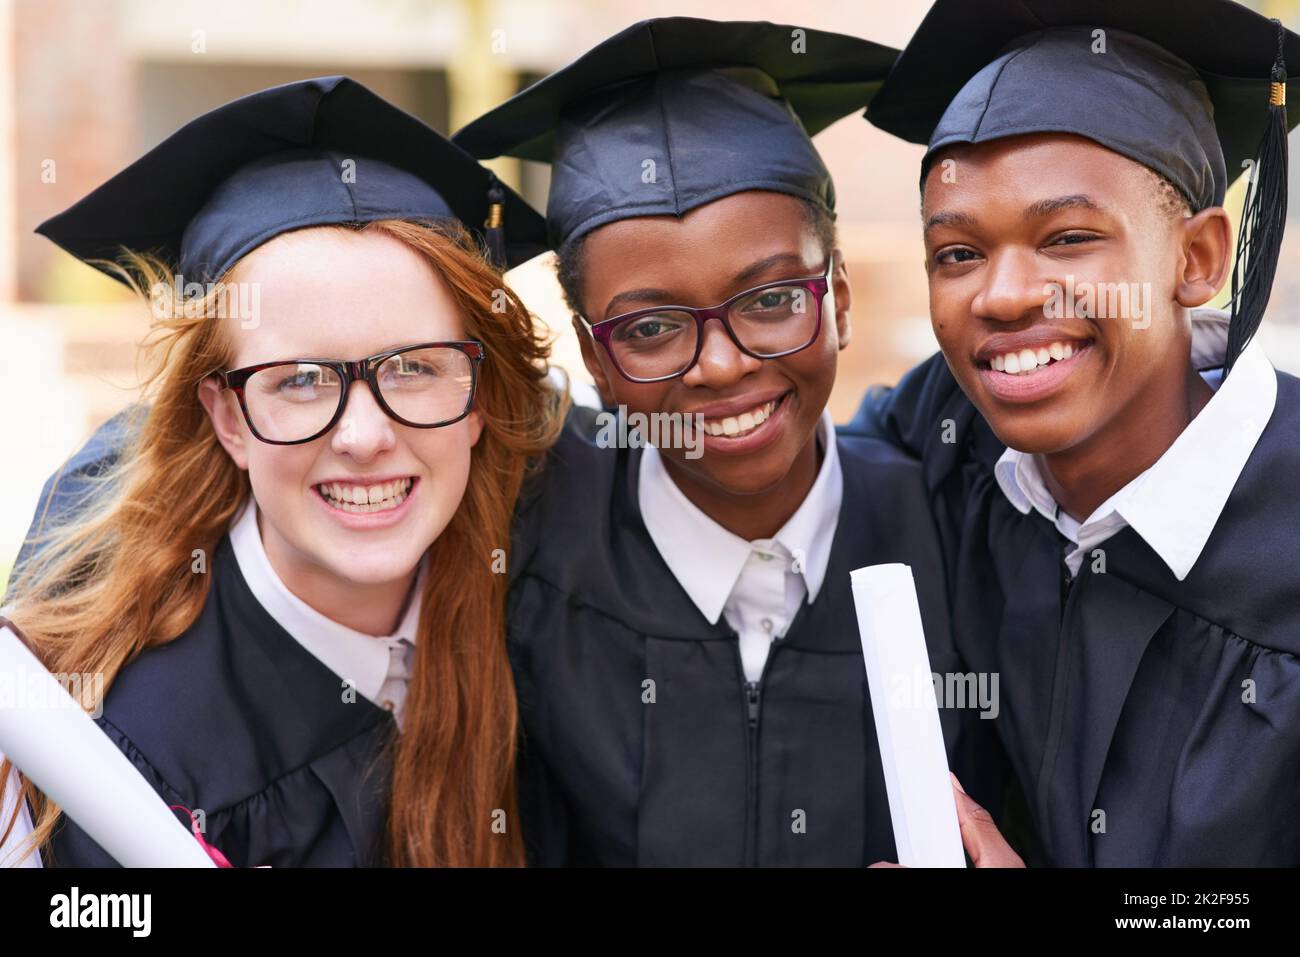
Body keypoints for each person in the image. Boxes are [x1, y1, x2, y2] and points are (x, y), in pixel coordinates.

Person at [456, 17, 1008, 865]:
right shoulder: (530, 547)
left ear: (841, 297)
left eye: (772, 300)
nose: (719, 365)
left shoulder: (955, 531)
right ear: (594, 359)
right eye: (649, 327)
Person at [0, 76, 563, 867]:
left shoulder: (557, 595)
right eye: (299, 379)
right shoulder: (137, 758)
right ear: (227, 418)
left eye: (413, 368)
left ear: (479, 398)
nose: (364, 435)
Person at [849, 0, 1300, 865]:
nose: (1005, 294)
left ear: (1198, 259)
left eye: (1068, 237)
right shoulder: (951, 436)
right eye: (957, 253)